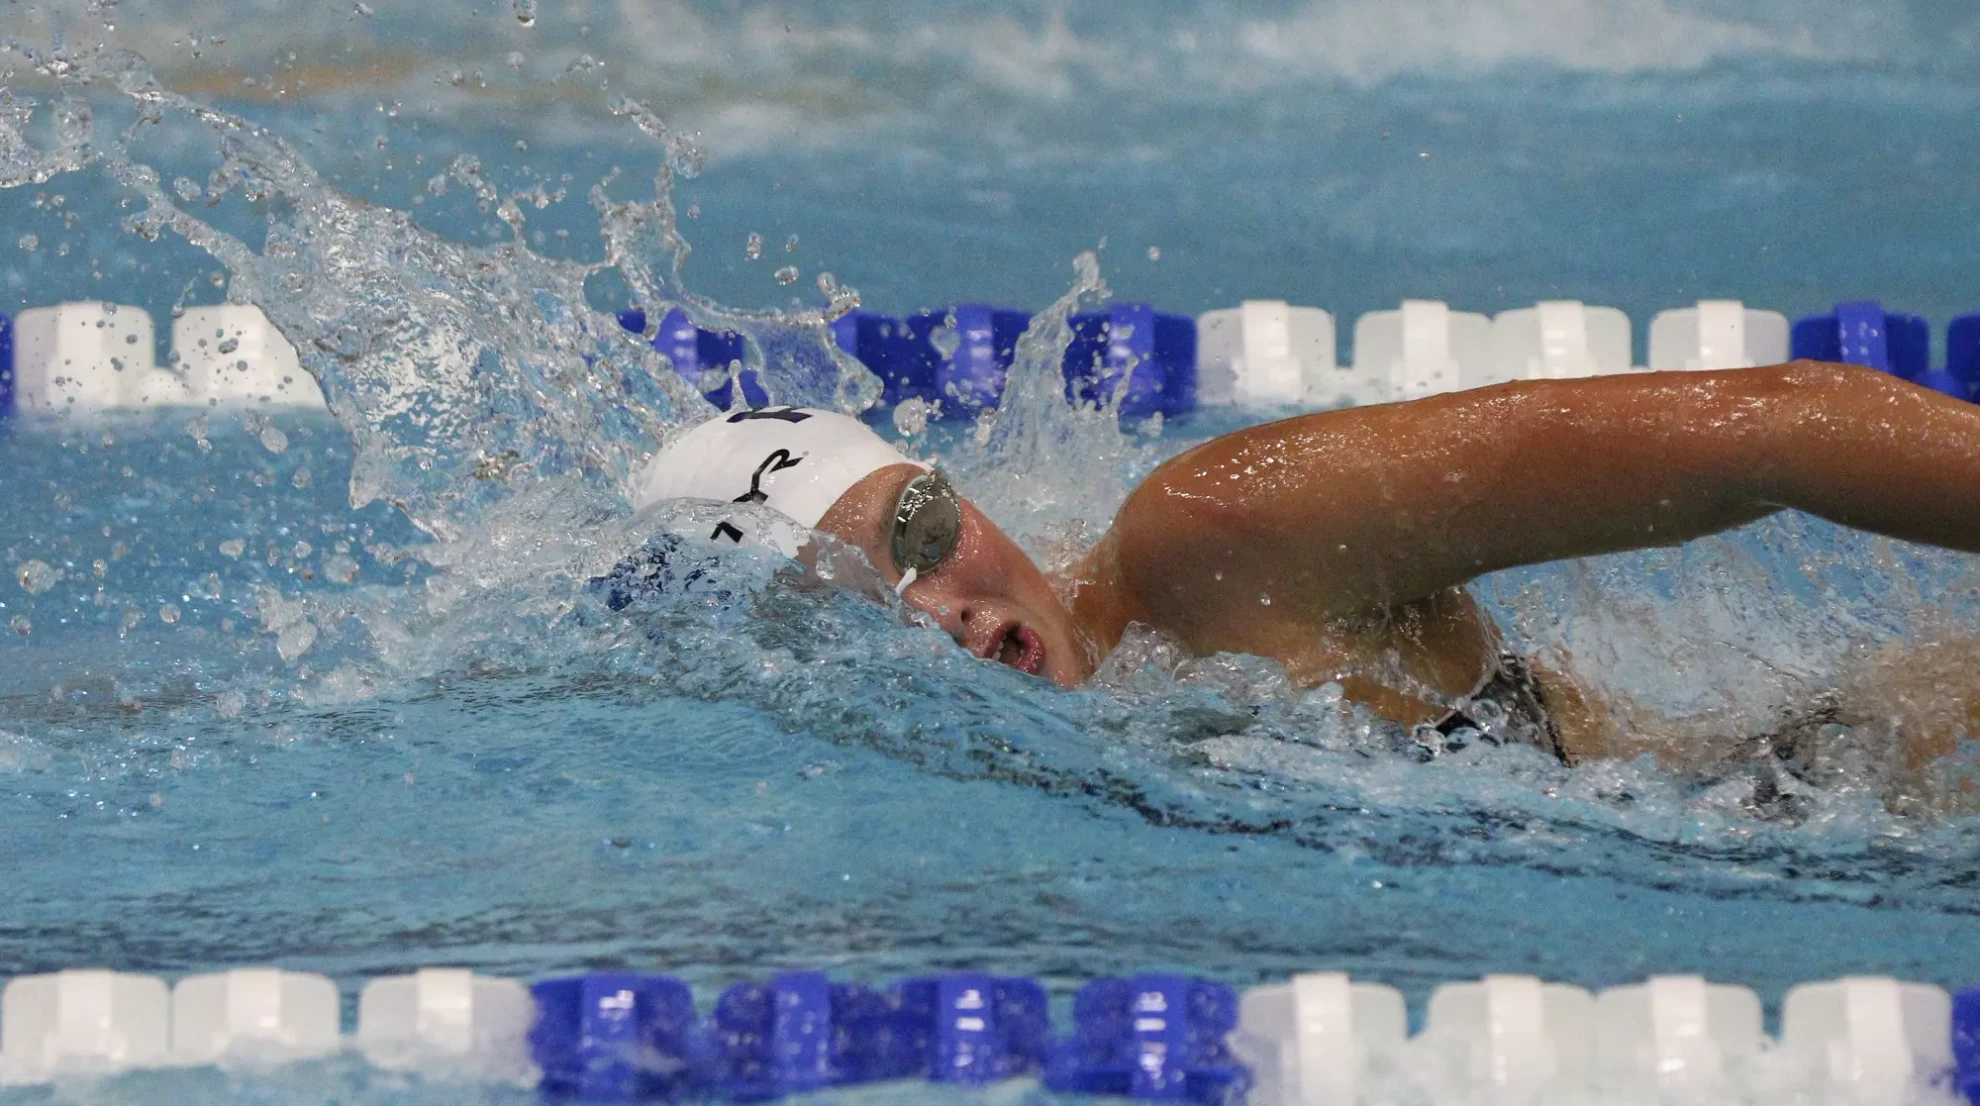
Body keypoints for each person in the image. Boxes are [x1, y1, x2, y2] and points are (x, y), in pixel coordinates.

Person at [626, 360, 1980, 768]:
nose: (948, 614)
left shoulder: (1218, 537)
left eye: (918, 535)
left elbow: (1773, 430)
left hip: (1845, 787)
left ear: (951, 485)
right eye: (872, 605)